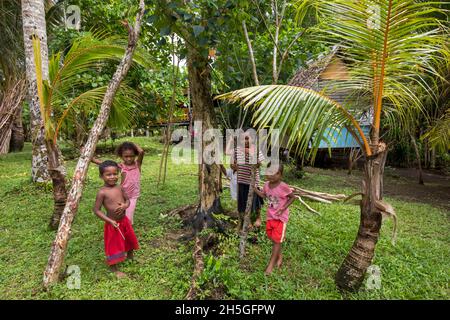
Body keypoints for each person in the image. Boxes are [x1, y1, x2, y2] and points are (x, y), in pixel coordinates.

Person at [93, 160, 139, 278]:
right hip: (113, 224)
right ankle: (114, 268)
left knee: (129, 238)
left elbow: (127, 200)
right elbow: (96, 210)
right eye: (108, 175)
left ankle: (130, 256)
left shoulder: (120, 188)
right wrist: (109, 221)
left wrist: (125, 205)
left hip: (124, 221)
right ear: (101, 176)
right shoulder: (102, 192)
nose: (112, 177)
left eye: (115, 174)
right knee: (113, 245)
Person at [254, 163, 295, 275]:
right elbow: (264, 195)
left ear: (280, 175)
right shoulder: (266, 185)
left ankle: (271, 265)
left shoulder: (283, 186)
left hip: (281, 218)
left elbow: (292, 198)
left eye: (275, 173)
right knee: (271, 237)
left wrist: (283, 208)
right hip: (270, 216)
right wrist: (255, 189)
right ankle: (279, 255)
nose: (271, 175)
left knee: (277, 241)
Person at [92, 141, 144, 224]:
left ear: (135, 155)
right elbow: (105, 165)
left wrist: (132, 143)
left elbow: (141, 151)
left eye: (132, 156)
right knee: (119, 213)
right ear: (121, 156)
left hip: (133, 196)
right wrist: (93, 160)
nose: (129, 159)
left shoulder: (138, 164)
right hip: (121, 194)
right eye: (126, 156)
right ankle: (117, 226)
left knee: (129, 217)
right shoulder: (121, 166)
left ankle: (127, 229)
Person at [234, 132, 265, 230]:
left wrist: (250, 153)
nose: (246, 141)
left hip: (252, 181)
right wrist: (234, 166)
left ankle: (259, 217)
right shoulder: (237, 151)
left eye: (248, 139)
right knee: (243, 200)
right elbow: (233, 164)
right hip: (241, 180)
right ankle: (248, 221)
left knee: (255, 201)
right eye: (243, 139)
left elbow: (259, 164)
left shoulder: (256, 150)